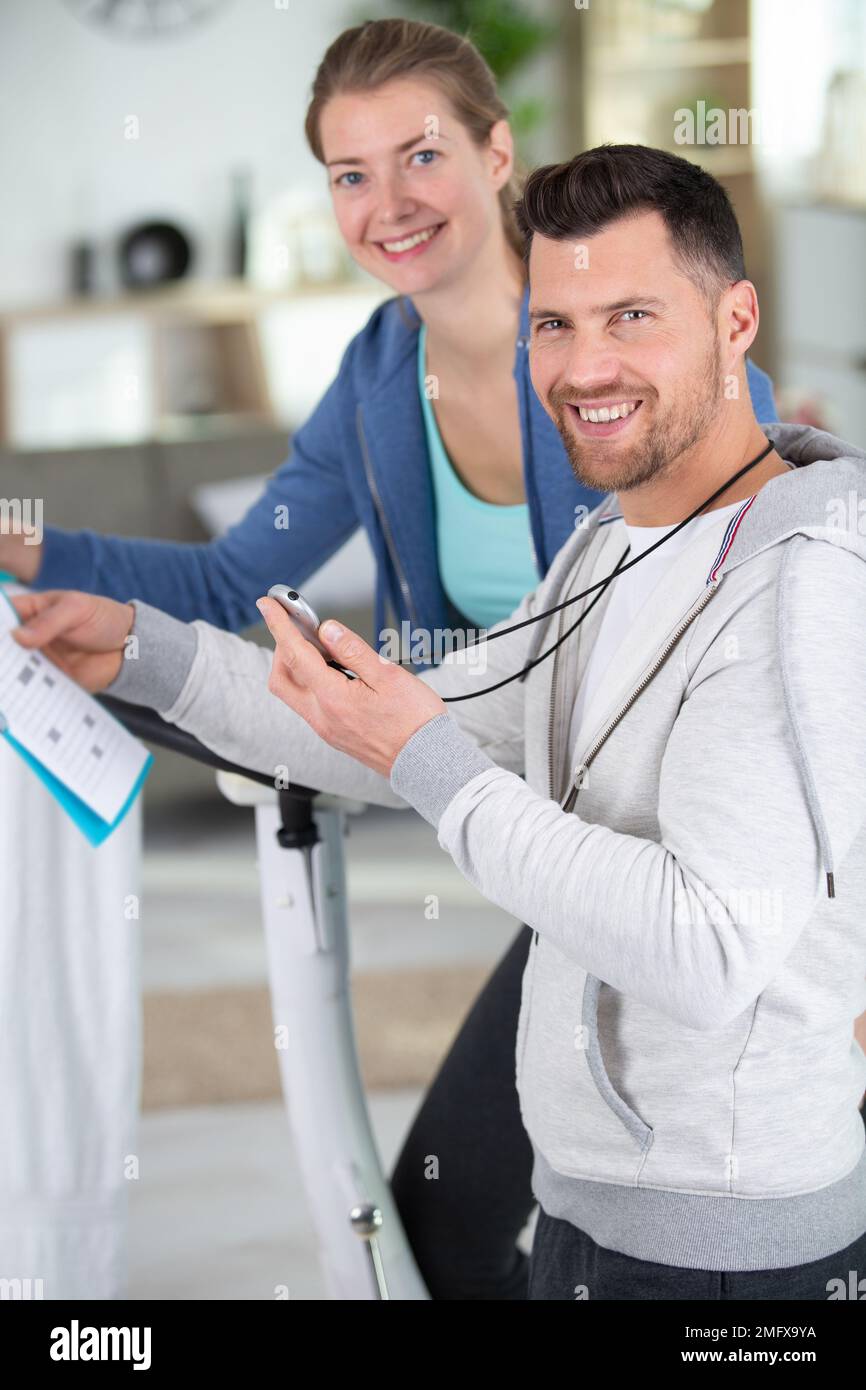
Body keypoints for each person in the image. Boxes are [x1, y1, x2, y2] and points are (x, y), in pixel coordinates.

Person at [0, 22, 778, 1301]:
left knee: (474, 1225)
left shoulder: (614, 352)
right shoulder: (377, 373)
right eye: (349, 173)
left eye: (419, 154)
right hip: (531, 828)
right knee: (461, 1225)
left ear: (494, 151)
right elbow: (222, 579)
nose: (388, 202)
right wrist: (23, 542)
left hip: (674, 868)